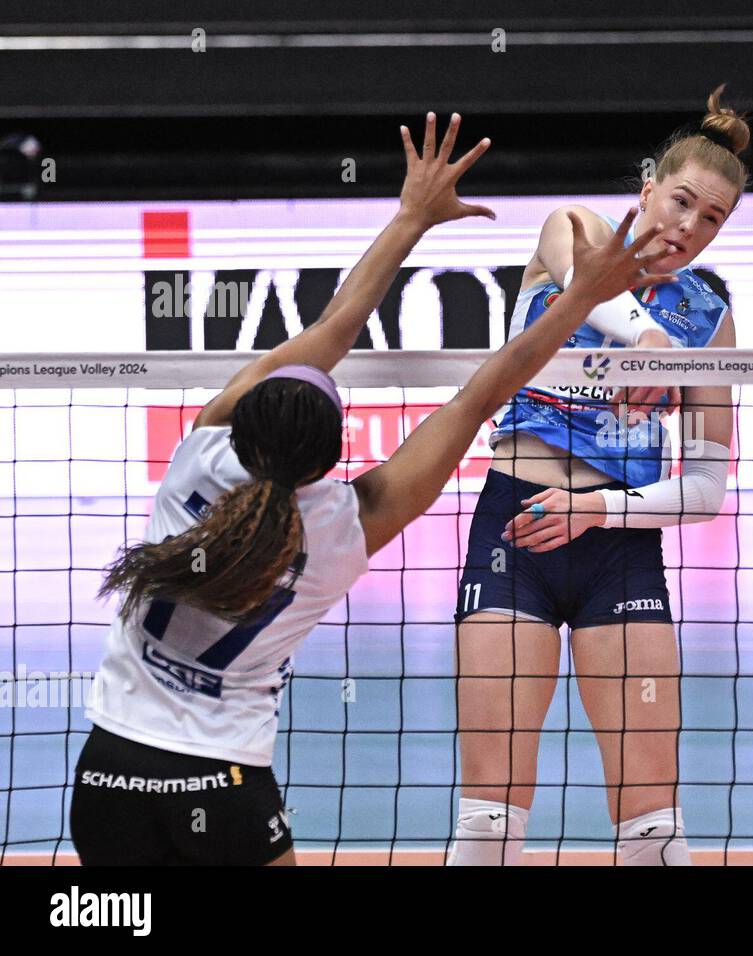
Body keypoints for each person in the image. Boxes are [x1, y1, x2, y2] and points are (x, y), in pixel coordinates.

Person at [69, 111, 675, 866]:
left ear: (242, 414)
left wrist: (410, 216)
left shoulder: (199, 454)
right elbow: (478, 398)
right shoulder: (342, 527)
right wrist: (578, 301)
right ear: (331, 457)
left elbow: (339, 319)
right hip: (226, 788)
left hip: (107, 774)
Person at [448, 86, 748, 866]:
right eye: (681, 201)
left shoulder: (710, 316)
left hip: (619, 542)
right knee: (488, 822)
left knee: (653, 831)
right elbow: (597, 282)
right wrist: (660, 353)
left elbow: (707, 492)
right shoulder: (571, 227)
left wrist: (600, 512)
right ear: (648, 187)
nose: (689, 227)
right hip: (514, 532)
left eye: (711, 218)